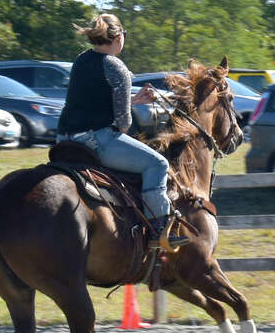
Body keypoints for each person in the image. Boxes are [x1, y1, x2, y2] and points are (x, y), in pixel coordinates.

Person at [56, 13, 186, 249]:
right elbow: (123, 123)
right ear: (117, 37)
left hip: (64, 139)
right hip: (96, 140)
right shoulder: (116, 67)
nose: (124, 38)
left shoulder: (81, 60)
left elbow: (92, 102)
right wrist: (129, 111)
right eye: (124, 34)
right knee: (157, 164)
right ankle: (159, 230)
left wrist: (133, 100)